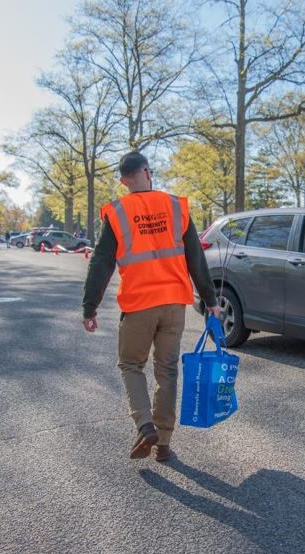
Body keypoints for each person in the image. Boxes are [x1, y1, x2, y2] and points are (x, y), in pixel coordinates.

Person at [82, 152, 221, 462]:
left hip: (139, 304)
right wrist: (211, 301)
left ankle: (145, 425)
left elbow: (101, 263)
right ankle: (164, 443)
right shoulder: (176, 207)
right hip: (174, 304)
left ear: (123, 181)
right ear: (147, 172)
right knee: (167, 370)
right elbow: (196, 259)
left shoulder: (117, 213)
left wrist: (89, 307)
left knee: (131, 365)